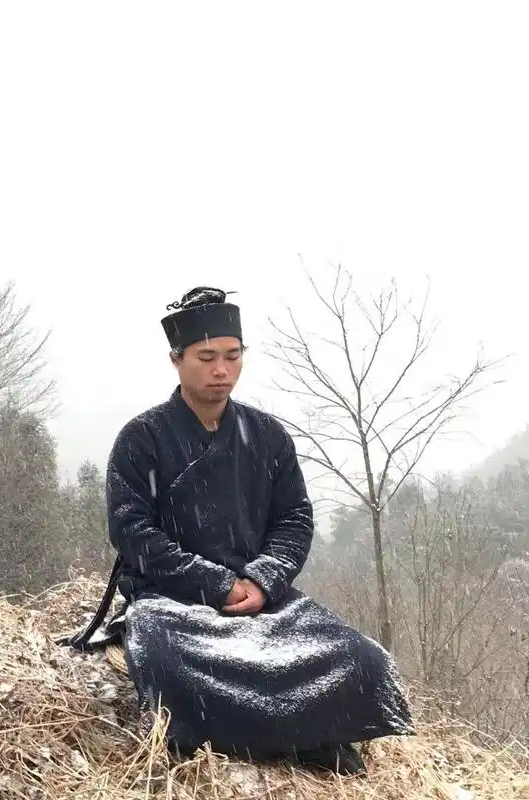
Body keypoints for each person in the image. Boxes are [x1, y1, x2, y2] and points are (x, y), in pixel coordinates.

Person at [92, 286, 412, 774]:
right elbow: (133, 532)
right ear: (177, 360)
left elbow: (294, 519)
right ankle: (300, 736)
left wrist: (263, 579)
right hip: (173, 598)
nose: (221, 370)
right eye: (206, 357)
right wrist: (214, 584)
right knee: (167, 664)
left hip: (264, 595)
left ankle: (279, 734)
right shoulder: (142, 438)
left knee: (364, 660)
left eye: (232, 356)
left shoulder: (267, 437)